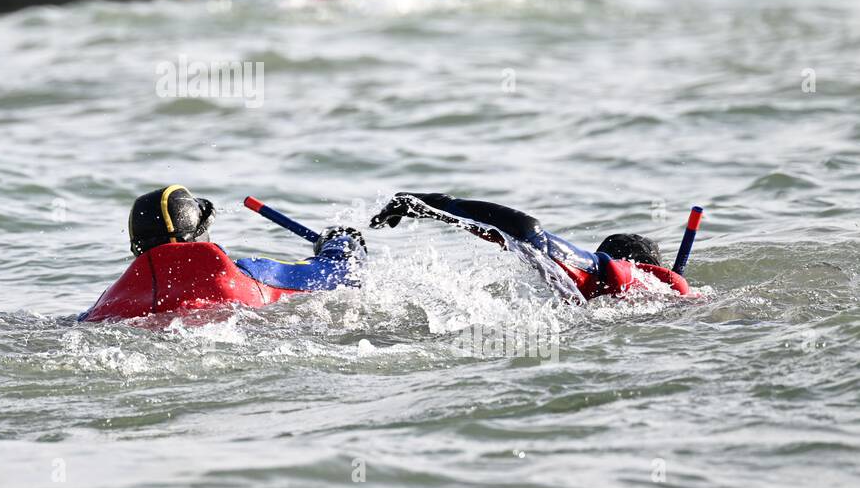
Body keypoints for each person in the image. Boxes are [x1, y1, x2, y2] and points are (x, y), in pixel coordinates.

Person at [369, 192, 689, 300]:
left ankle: (423, 202)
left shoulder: (646, 278)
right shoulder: (665, 284)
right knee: (520, 235)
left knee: (525, 231)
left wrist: (434, 209)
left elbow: (502, 233)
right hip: (571, 272)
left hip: (567, 266)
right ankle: (425, 204)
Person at [128, 185, 365, 291]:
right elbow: (341, 270)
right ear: (202, 235)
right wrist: (339, 239)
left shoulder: (108, 302)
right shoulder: (253, 275)